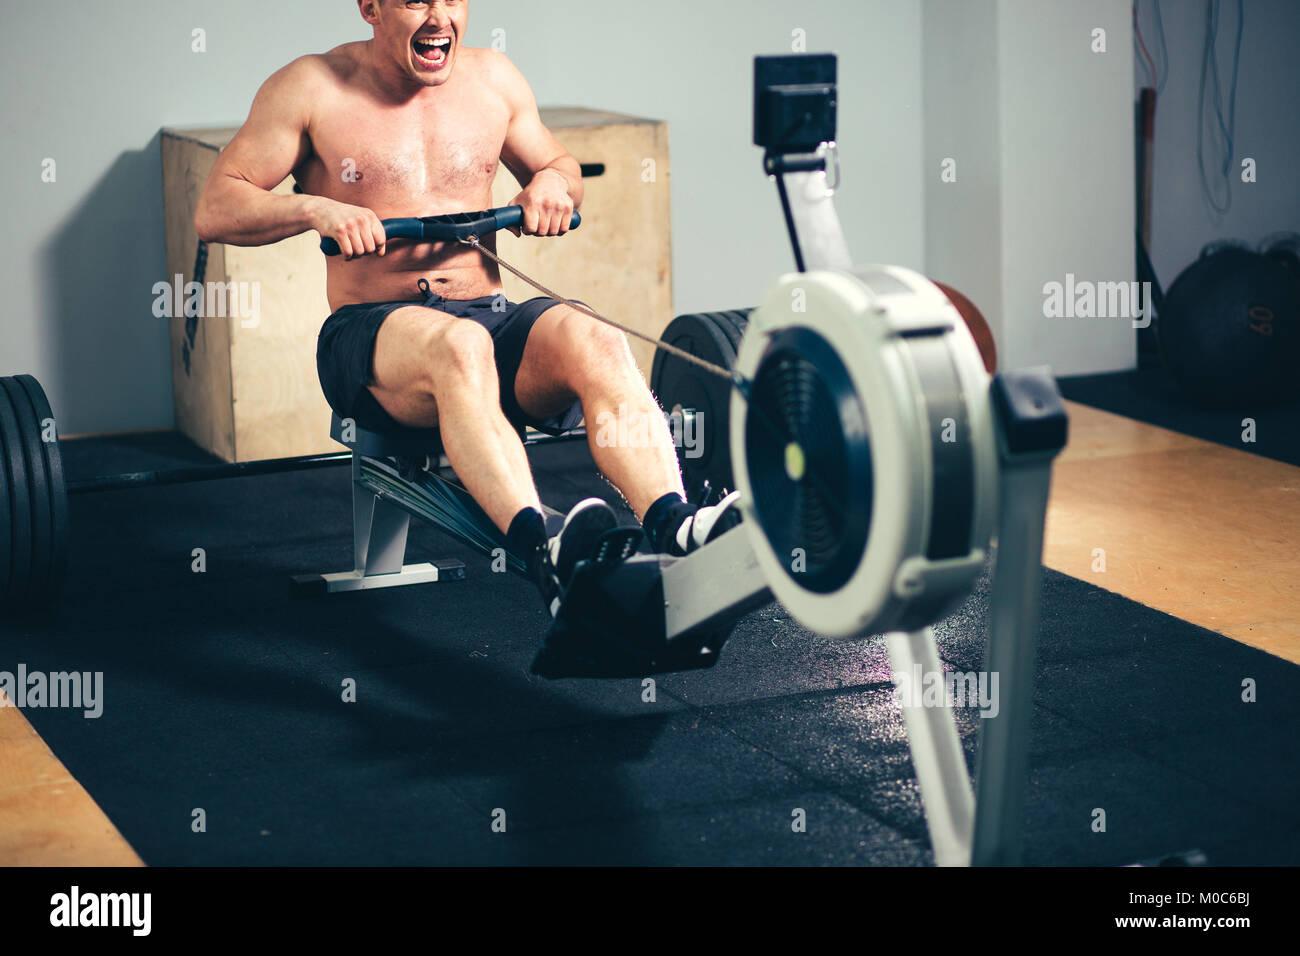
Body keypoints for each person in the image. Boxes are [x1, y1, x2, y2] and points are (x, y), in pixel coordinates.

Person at [194, 0, 739, 619]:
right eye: (414, 1)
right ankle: (548, 555)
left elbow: (558, 166)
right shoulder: (311, 88)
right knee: (461, 349)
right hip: (370, 337)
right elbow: (216, 207)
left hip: (488, 315)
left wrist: (551, 188)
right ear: (370, 8)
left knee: (594, 337)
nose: (438, 16)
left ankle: (677, 524)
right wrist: (316, 209)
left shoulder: (494, 81)